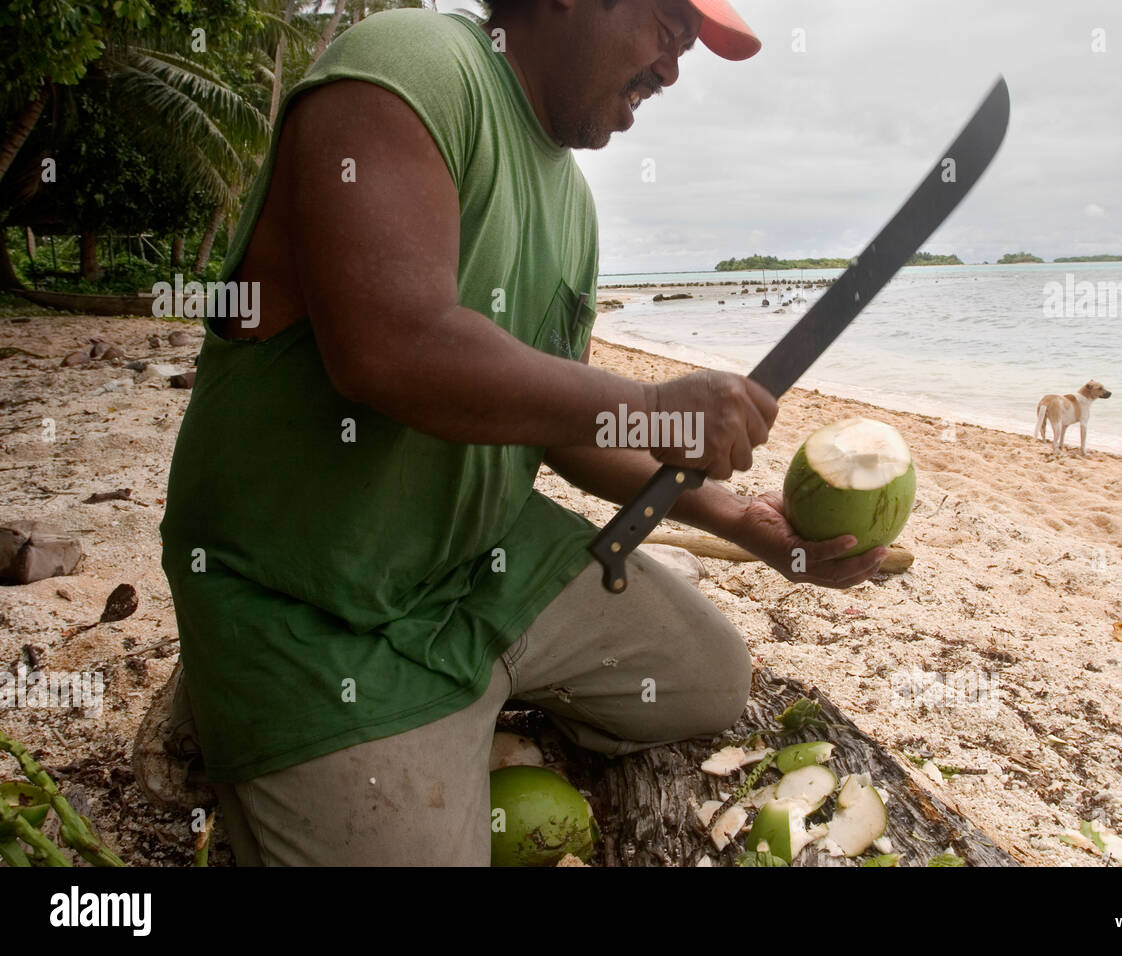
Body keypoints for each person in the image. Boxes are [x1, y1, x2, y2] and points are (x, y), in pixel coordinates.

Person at [140, 0, 890, 865]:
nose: (672, 71)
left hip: (480, 566)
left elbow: (557, 426)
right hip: (309, 604)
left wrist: (742, 524)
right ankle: (294, 716)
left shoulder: (570, 199)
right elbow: (392, 348)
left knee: (709, 682)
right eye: (665, 31)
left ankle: (465, 698)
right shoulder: (411, 64)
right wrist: (652, 404)